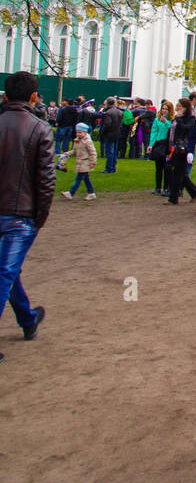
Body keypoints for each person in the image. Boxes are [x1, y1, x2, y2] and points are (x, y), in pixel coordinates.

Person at [0, 71, 55, 358]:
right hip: (20, 215)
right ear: (33, 97)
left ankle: (28, 318)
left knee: (7, 271)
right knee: (4, 272)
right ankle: (28, 318)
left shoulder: (36, 127)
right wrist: (40, 216)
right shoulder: (38, 128)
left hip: (17, 213)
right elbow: (46, 181)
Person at [166, 97, 196, 203]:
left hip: (183, 149)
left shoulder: (190, 119)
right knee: (182, 174)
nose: (177, 108)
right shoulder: (176, 118)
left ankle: (173, 198)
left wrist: (179, 119)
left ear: (185, 108)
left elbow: (186, 129)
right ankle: (194, 192)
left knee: (177, 173)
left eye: (179, 106)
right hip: (174, 147)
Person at [62, 124, 98, 199]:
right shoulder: (77, 140)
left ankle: (71, 193)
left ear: (85, 132)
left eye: (80, 132)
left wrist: (93, 162)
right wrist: (67, 153)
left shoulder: (88, 141)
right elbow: (75, 150)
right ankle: (91, 193)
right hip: (80, 162)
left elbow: (93, 152)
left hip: (85, 162)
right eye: (77, 132)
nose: (78, 134)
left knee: (79, 178)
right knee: (86, 179)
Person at [147, 99, 174, 194]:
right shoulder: (157, 120)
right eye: (163, 109)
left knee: (166, 167)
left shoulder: (172, 120)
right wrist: (151, 144)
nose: (164, 111)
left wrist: (166, 122)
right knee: (158, 167)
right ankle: (157, 187)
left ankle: (166, 187)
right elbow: (154, 132)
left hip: (167, 144)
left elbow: (172, 129)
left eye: (166, 109)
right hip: (158, 143)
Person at [99, 98, 123, 173]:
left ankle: (109, 168)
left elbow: (107, 124)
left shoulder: (108, 112)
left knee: (109, 151)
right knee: (114, 151)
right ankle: (113, 167)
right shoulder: (119, 112)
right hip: (117, 133)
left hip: (109, 133)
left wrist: (102, 132)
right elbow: (121, 124)